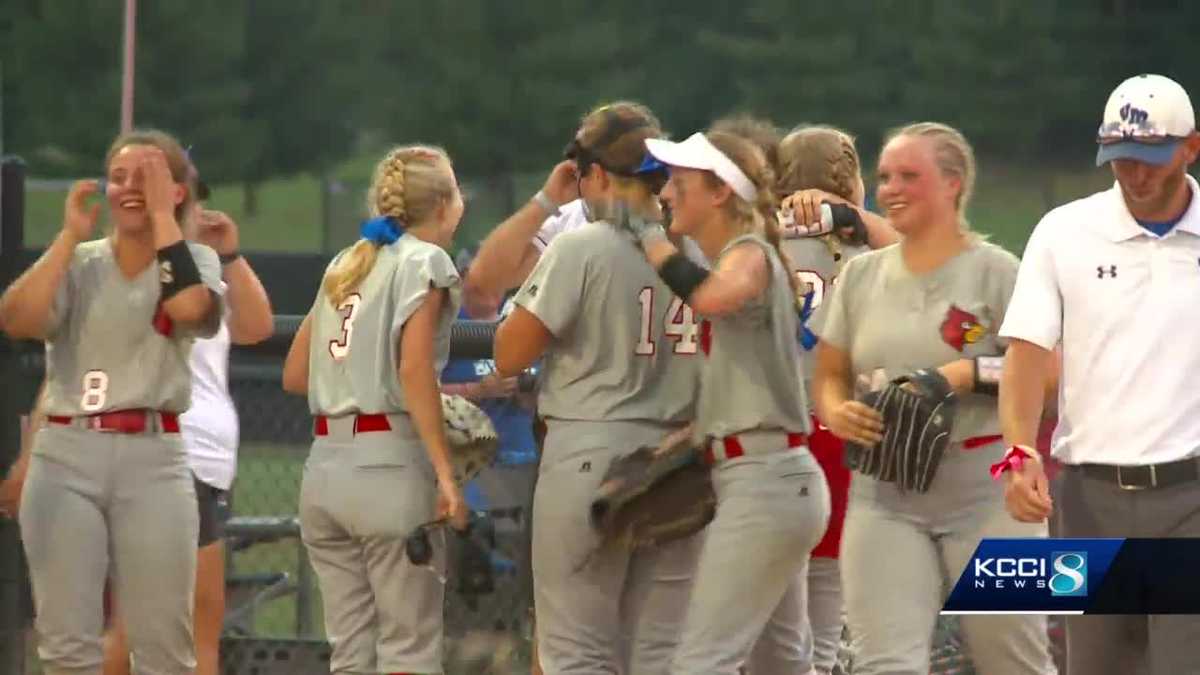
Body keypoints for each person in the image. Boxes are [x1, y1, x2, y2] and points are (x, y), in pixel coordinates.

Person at [810, 121, 1055, 675]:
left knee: (1013, 658)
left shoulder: (999, 272)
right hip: (885, 491)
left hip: (989, 488)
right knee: (884, 663)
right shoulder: (860, 277)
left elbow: (1047, 374)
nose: (891, 189)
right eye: (884, 178)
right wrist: (834, 410)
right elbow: (828, 374)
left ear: (953, 184)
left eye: (909, 176)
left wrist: (964, 373)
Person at [0, 128, 224, 674]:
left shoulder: (195, 259)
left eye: (146, 177)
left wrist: (164, 219)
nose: (129, 187)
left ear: (176, 191)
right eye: (119, 176)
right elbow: (16, 319)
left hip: (152, 454)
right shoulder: (81, 262)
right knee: (65, 644)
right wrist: (67, 237)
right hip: (65, 450)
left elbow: (194, 309)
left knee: (163, 645)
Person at [998, 73, 1200, 675]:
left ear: (1191, 147)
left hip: (1193, 494)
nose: (1134, 174)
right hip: (1088, 497)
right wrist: (1016, 452)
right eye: (1120, 159)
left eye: (1150, 158)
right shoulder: (1064, 233)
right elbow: (1027, 354)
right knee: (1097, 666)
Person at [494, 101, 701, 675]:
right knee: (661, 655)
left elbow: (510, 353)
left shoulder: (580, 245)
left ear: (598, 173)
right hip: (681, 456)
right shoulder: (700, 249)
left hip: (591, 450)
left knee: (576, 654)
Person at [626, 129, 831, 674]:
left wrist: (652, 242)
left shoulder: (749, 253)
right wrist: (697, 432)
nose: (666, 193)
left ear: (720, 192)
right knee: (782, 661)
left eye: (679, 181)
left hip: (765, 481)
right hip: (775, 477)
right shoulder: (748, 253)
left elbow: (714, 298)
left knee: (701, 663)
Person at [282, 144, 469, 675]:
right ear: (441, 205)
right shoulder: (426, 261)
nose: (462, 203)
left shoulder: (348, 262)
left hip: (324, 470)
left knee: (352, 653)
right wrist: (444, 472)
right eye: (456, 191)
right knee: (408, 649)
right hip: (388, 465)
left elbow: (296, 375)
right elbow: (414, 372)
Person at [102, 170, 274, 675]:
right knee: (142, 623)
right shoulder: (129, 267)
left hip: (206, 461)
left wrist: (230, 256)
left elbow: (257, 326)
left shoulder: (202, 268)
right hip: (166, 449)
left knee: (199, 622)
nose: (197, 212)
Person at [774, 125, 893, 675]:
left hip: (772, 426)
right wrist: (850, 215)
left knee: (778, 594)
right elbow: (934, 258)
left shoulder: (755, 237)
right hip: (838, 426)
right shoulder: (865, 242)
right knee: (826, 585)